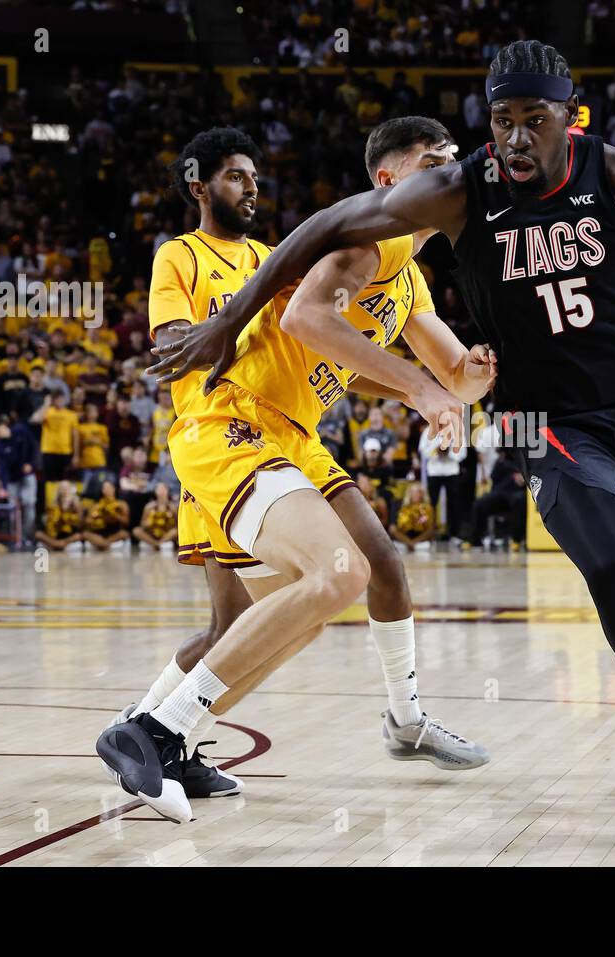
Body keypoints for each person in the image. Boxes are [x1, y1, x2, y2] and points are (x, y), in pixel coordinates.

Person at [150, 41, 615, 858]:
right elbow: (322, 228)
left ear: (567, 116)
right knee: (612, 569)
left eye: (532, 121)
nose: (513, 138)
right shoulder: (456, 190)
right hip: (547, 424)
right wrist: (229, 319)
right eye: (500, 120)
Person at [102, 123, 496, 821]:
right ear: (390, 181)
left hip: (291, 433)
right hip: (229, 421)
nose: (450, 173)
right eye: (431, 163)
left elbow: (447, 377)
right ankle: (156, 728)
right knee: (337, 573)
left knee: (299, 613)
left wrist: (470, 377)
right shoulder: (356, 243)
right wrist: (419, 387)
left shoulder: (407, 278)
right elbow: (299, 323)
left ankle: (163, 729)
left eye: (452, 162)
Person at [133, 482, 178, 551]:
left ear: (167, 491)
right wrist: (147, 523)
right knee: (136, 531)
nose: (162, 491)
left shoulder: (173, 507)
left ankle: (158, 544)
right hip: (152, 534)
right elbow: (142, 525)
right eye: (159, 489)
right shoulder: (149, 507)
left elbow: (177, 525)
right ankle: (156, 544)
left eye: (163, 489)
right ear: (155, 491)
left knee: (175, 531)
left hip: (167, 534)